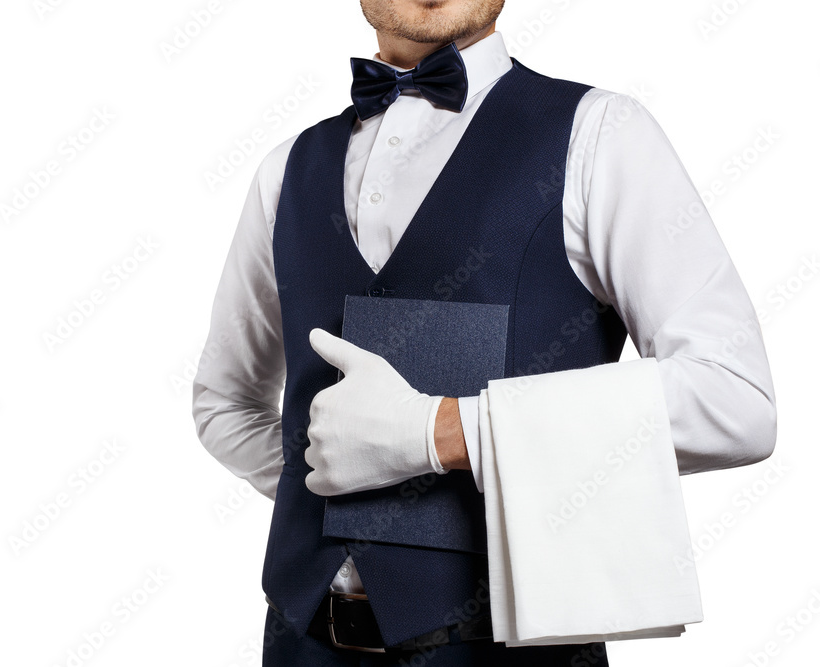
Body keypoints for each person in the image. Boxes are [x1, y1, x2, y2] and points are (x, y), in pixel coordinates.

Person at [192, 0, 777, 664]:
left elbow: (734, 399)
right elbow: (223, 399)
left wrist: (439, 433)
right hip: (300, 643)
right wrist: (326, 486)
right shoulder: (285, 168)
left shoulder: (602, 135)